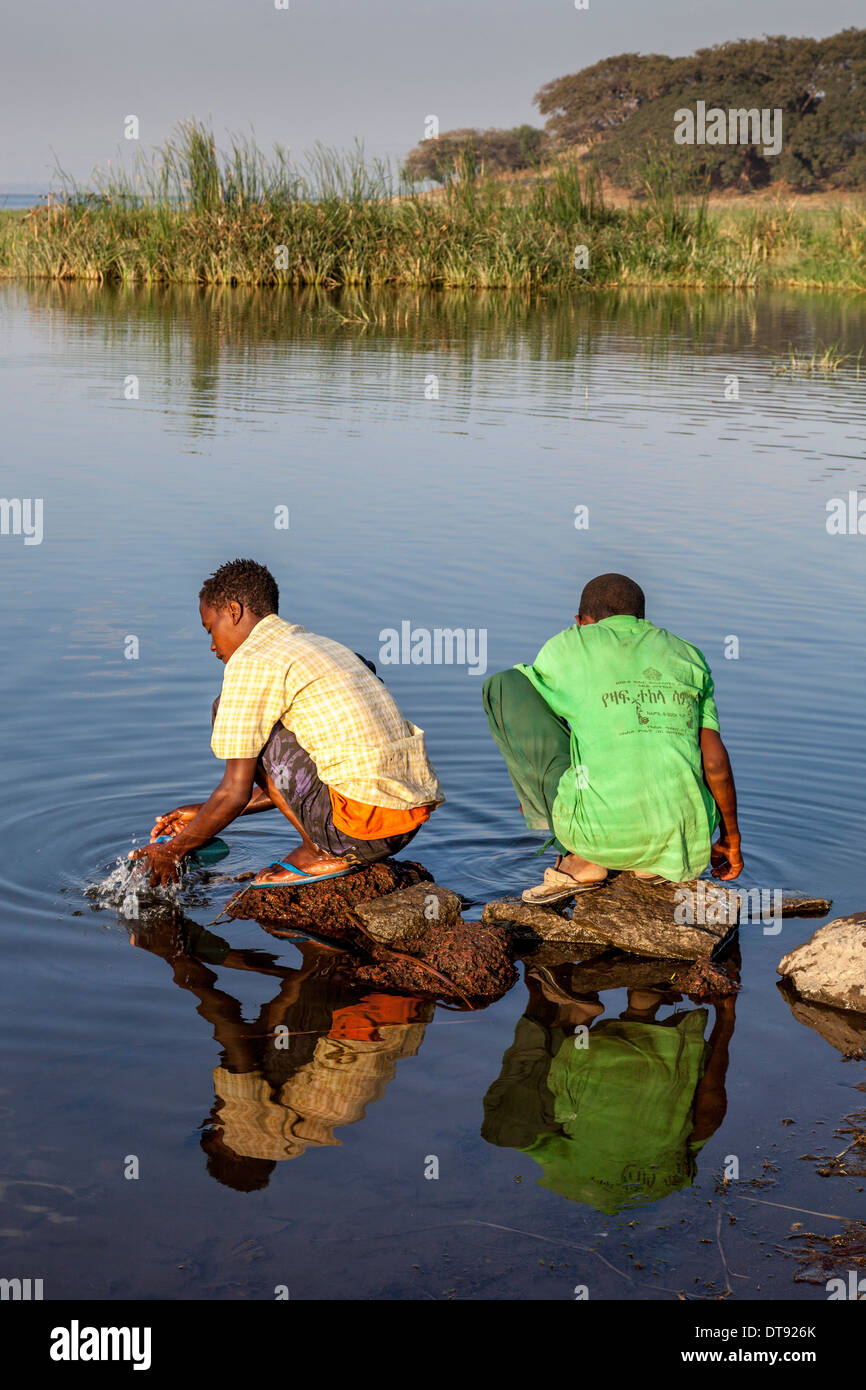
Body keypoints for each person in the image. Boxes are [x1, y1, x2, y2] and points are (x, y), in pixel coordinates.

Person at [131, 558, 444, 887]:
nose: (212, 645)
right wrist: (202, 812)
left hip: (356, 833)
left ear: (234, 612)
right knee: (268, 720)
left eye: (211, 628)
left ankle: (320, 852)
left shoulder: (252, 662)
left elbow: (234, 792)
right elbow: (309, 776)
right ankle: (330, 844)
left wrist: (173, 851)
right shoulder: (322, 646)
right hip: (403, 825)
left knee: (225, 707)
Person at [482, 572, 741, 903]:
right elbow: (715, 760)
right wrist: (731, 839)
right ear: (641, 620)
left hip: (598, 838)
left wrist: (534, 789)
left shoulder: (569, 646)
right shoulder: (687, 654)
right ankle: (655, 863)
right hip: (685, 844)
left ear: (581, 622)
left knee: (505, 685)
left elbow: (542, 723)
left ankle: (582, 859)